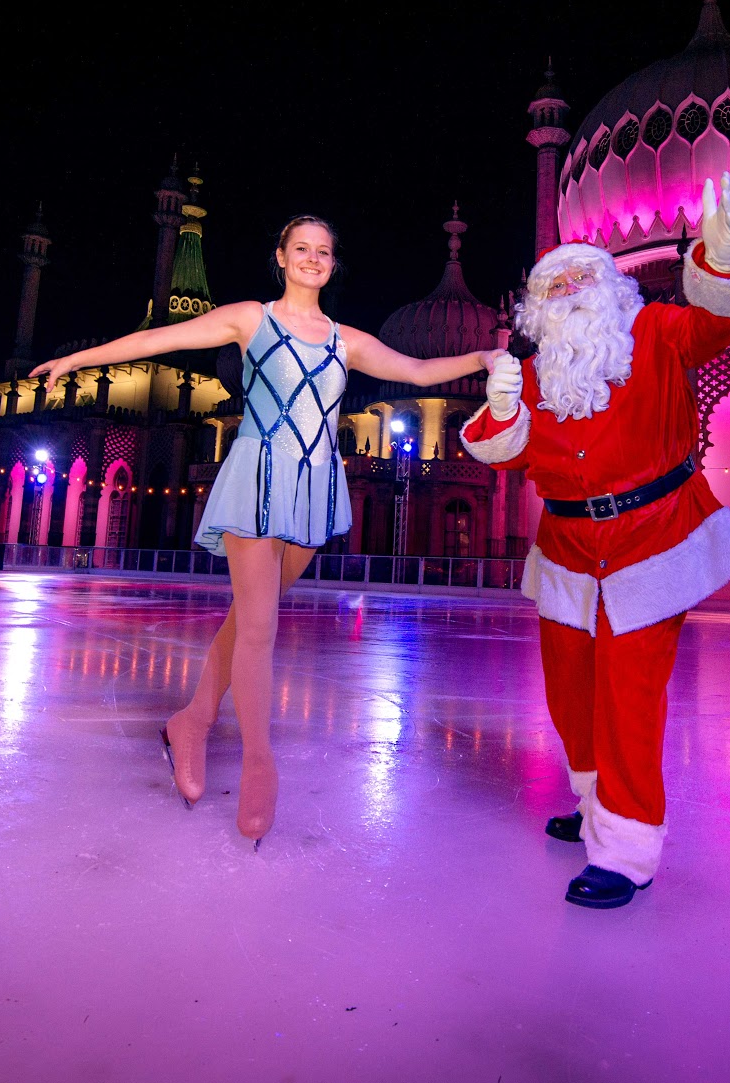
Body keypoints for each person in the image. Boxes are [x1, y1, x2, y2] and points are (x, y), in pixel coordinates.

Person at [31, 216, 501, 845]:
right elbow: (158, 341)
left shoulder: (347, 338)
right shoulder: (250, 318)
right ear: (280, 256)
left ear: (334, 264)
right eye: (301, 249)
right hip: (257, 472)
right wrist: (76, 359)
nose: (312, 259)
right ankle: (259, 763)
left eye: (324, 252)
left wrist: (486, 355)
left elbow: (416, 372)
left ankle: (192, 721)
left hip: (315, 485)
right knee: (259, 628)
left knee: (253, 616)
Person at [461, 173, 730, 908]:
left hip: (652, 540)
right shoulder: (535, 376)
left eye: (582, 274)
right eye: (555, 281)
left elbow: (717, 324)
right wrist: (501, 411)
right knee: (571, 693)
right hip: (568, 552)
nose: (571, 286)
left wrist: (721, 261)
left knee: (629, 694)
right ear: (538, 304)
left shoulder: (658, 331)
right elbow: (508, 454)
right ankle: (594, 799)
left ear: (609, 284)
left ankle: (627, 844)